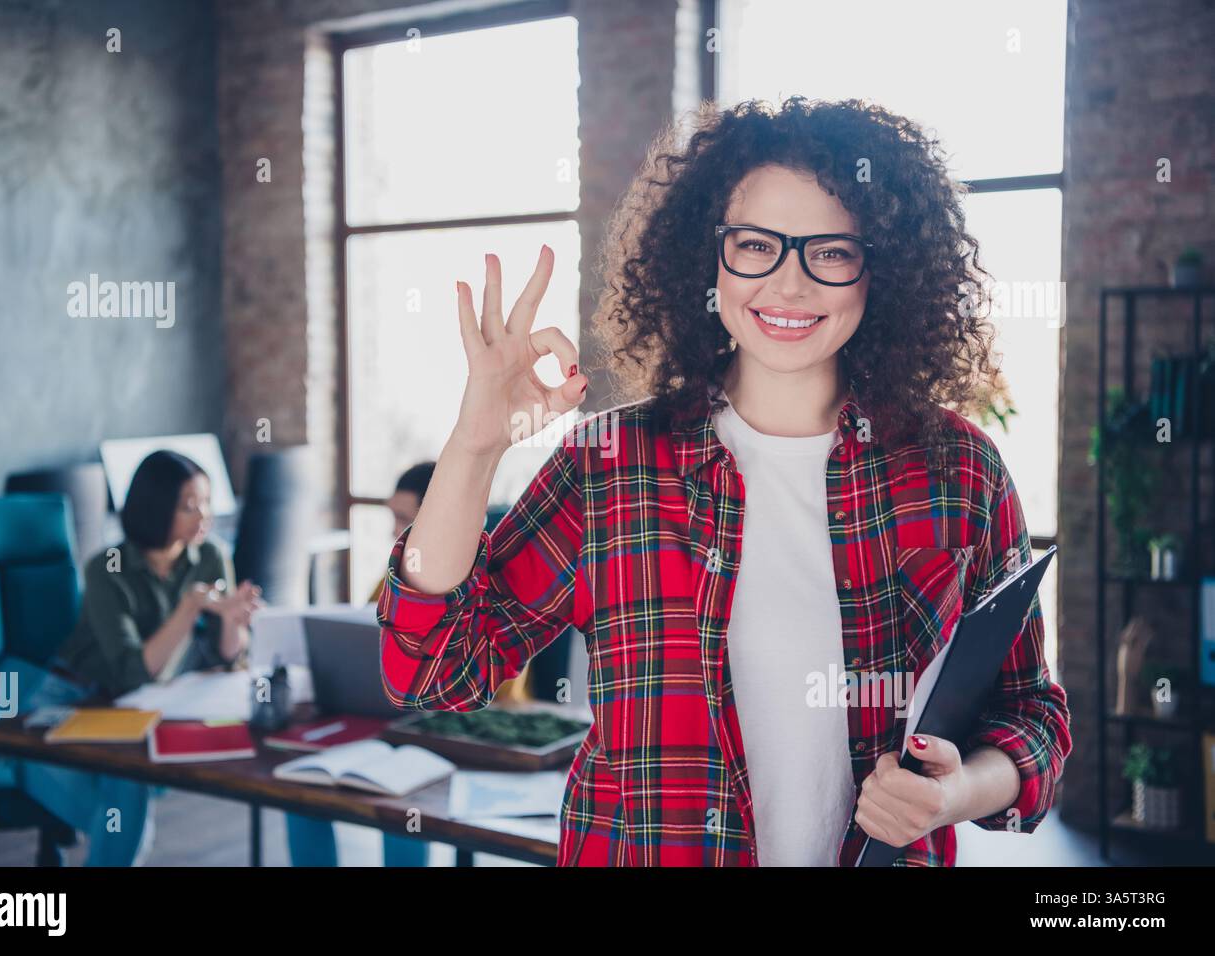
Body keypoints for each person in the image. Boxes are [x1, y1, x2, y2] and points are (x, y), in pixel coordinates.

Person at [377, 96, 1072, 866]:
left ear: (886, 270)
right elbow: (434, 671)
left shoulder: (958, 470)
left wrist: (952, 794)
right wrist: (475, 447)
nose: (790, 284)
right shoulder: (611, 463)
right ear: (708, 257)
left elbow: (1028, 713)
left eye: (832, 252)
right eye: (754, 245)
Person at [11, 450, 263, 865]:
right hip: (69, 703)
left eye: (206, 502)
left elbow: (227, 658)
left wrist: (234, 621)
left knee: (125, 808)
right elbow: (133, 672)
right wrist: (188, 610)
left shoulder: (211, 556)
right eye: (189, 506)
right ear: (156, 508)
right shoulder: (106, 569)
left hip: (133, 711)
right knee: (119, 819)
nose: (204, 516)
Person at [285, 461, 528, 867]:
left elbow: (504, 701)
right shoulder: (401, 577)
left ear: (436, 518)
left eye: (402, 519)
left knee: (402, 810)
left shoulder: (493, 582)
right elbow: (364, 644)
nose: (393, 532)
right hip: (394, 730)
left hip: (467, 741)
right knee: (302, 794)